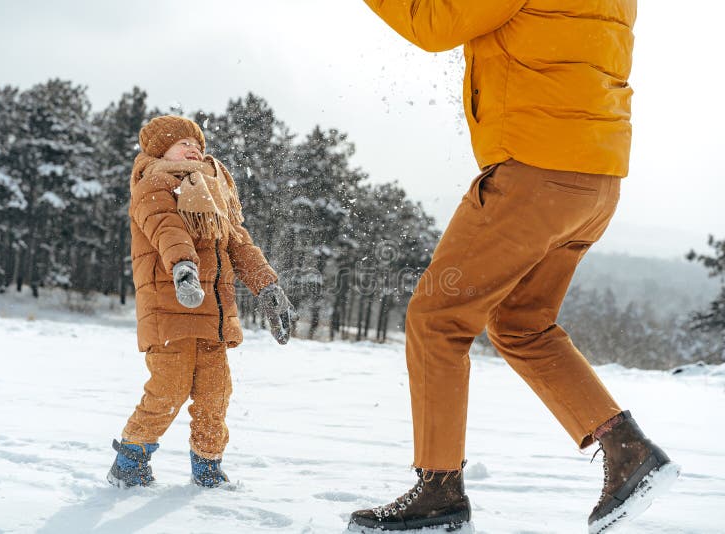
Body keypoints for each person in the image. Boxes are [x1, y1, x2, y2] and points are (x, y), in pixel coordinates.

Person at [349, 2, 679, 533]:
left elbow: (434, 24)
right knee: (522, 324)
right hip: (596, 177)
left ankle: (439, 491)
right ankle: (626, 448)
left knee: (438, 316)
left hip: (535, 170)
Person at [107, 115, 297, 488]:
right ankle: (129, 461)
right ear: (162, 150)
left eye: (198, 145)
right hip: (170, 310)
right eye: (183, 144)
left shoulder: (215, 196)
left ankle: (208, 466)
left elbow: (239, 244)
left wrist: (268, 288)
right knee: (169, 390)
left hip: (214, 315)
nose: (193, 149)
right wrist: (183, 267)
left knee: (216, 395)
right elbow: (165, 227)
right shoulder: (153, 184)